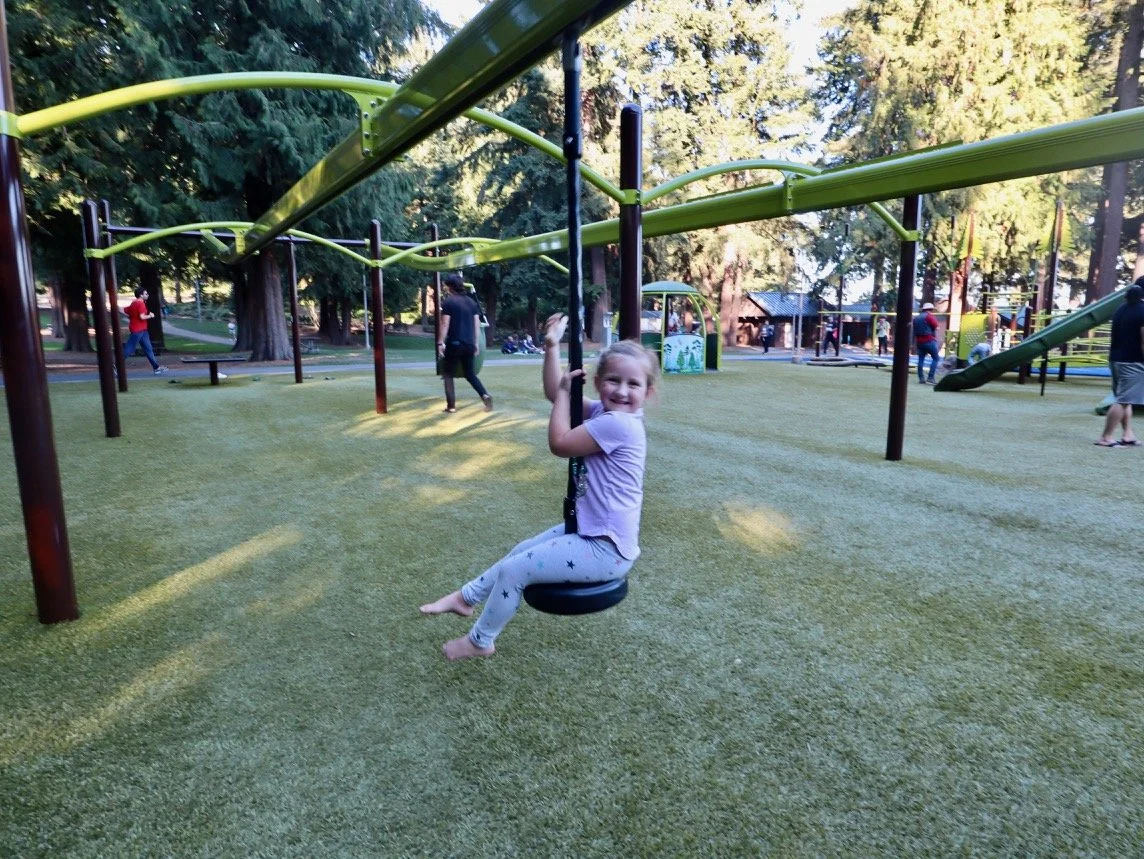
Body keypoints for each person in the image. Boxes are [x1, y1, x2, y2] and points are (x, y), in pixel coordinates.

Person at [420, 312, 659, 660]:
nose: (621, 391)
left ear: (647, 391)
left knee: (515, 570)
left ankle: (480, 640)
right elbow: (554, 393)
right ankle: (465, 598)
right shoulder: (604, 415)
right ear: (597, 382)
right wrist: (551, 348)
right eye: (613, 380)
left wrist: (565, 393)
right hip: (590, 533)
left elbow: (559, 443)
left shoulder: (620, 425)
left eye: (633, 384)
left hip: (606, 549)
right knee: (521, 550)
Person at [1096, 280, 1144, 447]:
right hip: (1133, 362)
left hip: (1115, 359)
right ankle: (1106, 437)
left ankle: (1127, 434)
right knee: (1123, 400)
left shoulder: (1120, 309)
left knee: (1124, 398)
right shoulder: (1143, 311)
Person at [437, 273, 492, 413]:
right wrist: (476, 344)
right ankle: (485, 395)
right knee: (470, 374)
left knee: (448, 374)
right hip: (469, 344)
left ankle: (451, 406)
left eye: (446, 286)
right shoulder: (472, 303)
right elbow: (476, 324)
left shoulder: (449, 302)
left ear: (450, 287)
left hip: (455, 343)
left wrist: (440, 342)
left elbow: (445, 324)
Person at [121, 286, 165, 375]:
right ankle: (117, 365)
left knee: (149, 349)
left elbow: (125, 310)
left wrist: (132, 316)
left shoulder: (134, 303)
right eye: (146, 294)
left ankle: (156, 368)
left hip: (143, 330)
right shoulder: (140, 304)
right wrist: (150, 316)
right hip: (137, 330)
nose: (147, 295)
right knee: (129, 348)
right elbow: (142, 317)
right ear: (141, 295)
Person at [913, 301, 941, 384]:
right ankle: (930, 377)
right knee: (936, 358)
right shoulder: (929, 316)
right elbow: (937, 327)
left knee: (921, 359)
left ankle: (921, 378)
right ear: (931, 309)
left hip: (919, 341)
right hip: (929, 340)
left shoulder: (916, 318)